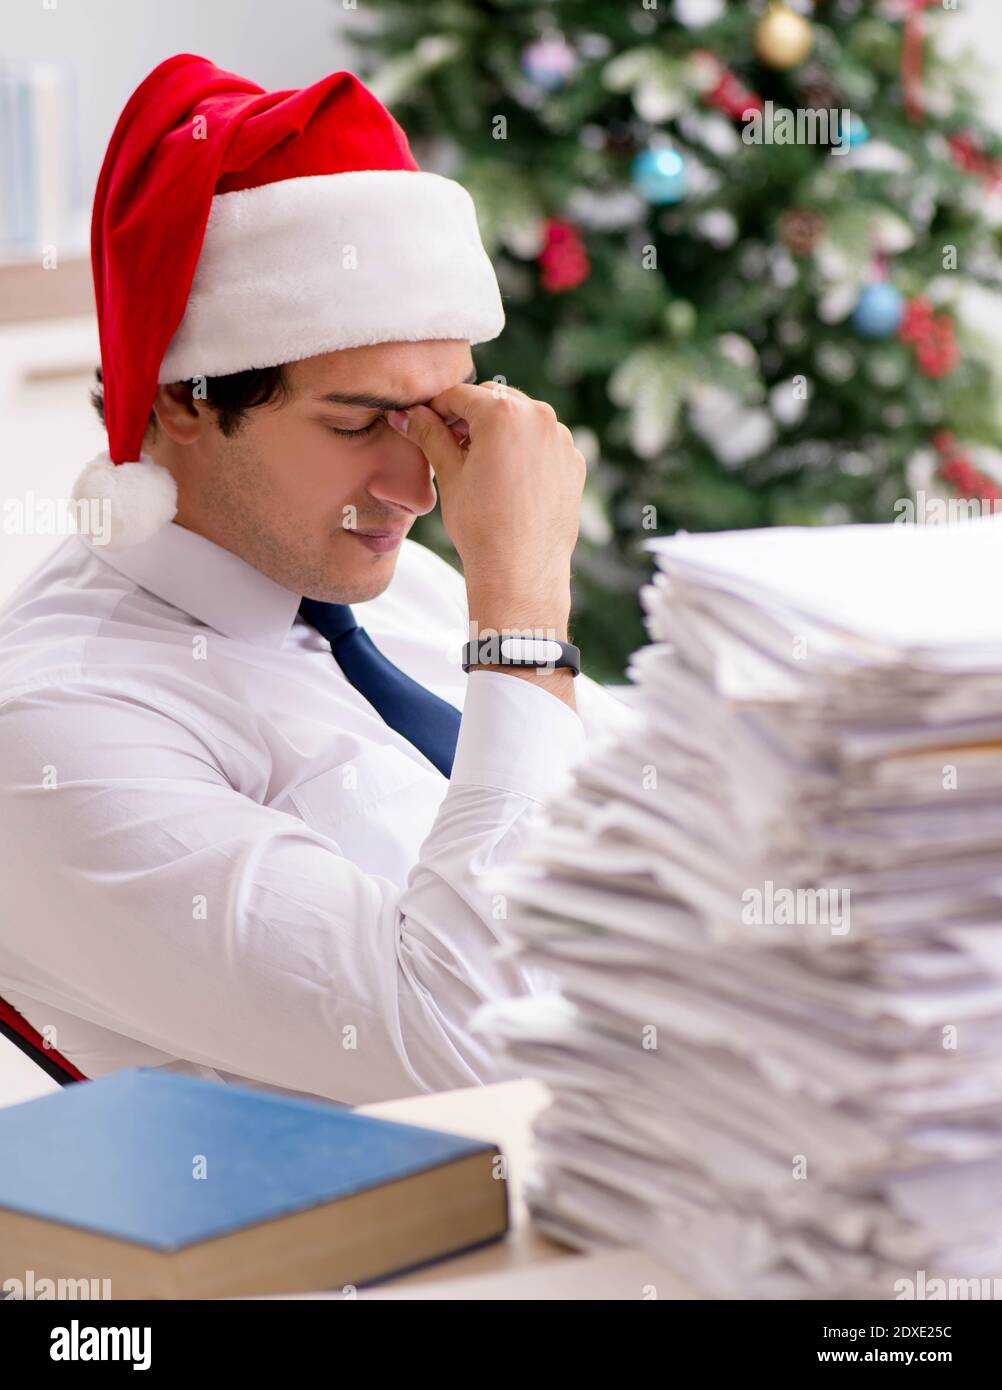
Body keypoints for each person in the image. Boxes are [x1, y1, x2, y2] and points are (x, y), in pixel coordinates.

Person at [0, 54, 636, 1105]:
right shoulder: (54, 730)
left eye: (439, 416)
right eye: (356, 423)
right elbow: (480, 1050)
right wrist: (524, 616)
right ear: (184, 400)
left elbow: (668, 841)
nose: (419, 488)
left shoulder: (398, 592)